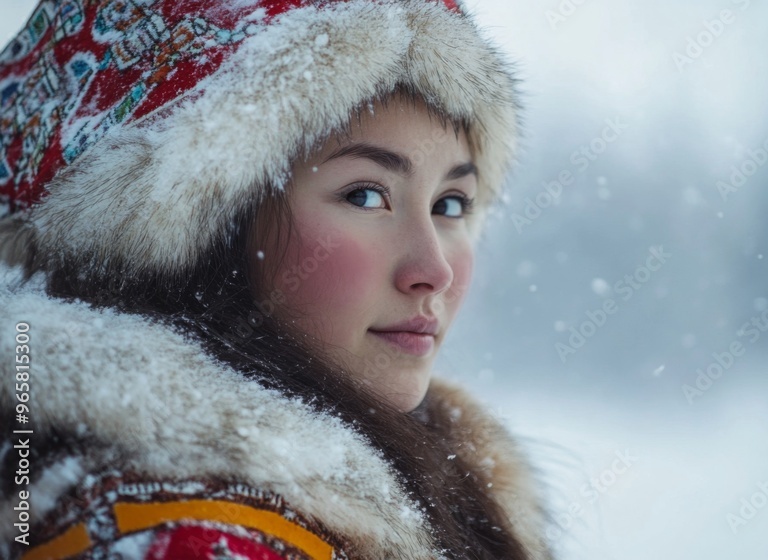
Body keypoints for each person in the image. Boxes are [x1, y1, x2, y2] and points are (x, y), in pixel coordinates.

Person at [0, 1, 554, 558]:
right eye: (365, 195)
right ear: (210, 228)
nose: (434, 272)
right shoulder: (191, 537)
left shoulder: (425, 466)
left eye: (452, 204)